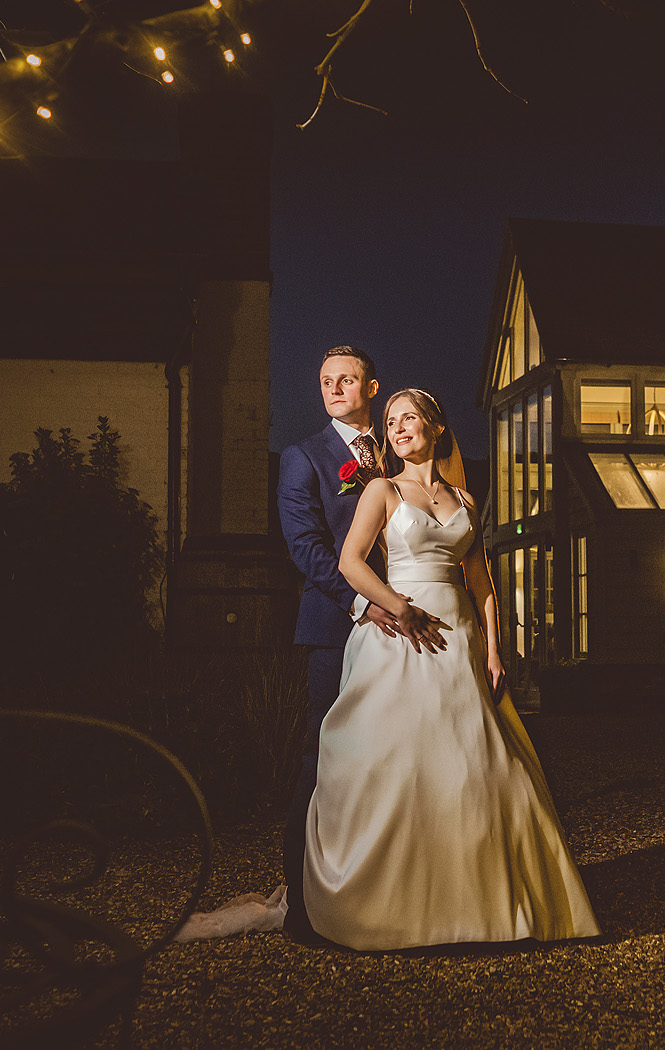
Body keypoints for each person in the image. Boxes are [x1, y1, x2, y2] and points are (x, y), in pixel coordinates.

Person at [302, 388, 600, 949]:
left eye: (409, 418)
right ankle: (394, 905)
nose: (397, 428)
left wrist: (494, 649)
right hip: (400, 637)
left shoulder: (465, 498)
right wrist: (398, 608)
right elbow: (349, 562)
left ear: (436, 427)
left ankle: (483, 903)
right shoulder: (382, 490)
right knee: (400, 761)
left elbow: (480, 581)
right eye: (391, 421)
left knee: (471, 763)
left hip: (459, 638)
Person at [276, 346, 447, 945]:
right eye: (326, 380)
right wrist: (364, 602)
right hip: (337, 625)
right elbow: (306, 547)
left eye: (346, 379)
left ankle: (392, 890)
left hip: (411, 627)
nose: (333, 388)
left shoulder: (400, 448)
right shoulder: (304, 457)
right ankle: (303, 902)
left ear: (371, 388)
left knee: (399, 759)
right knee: (326, 755)